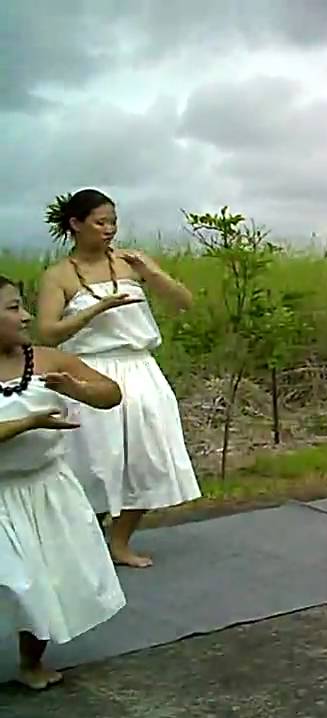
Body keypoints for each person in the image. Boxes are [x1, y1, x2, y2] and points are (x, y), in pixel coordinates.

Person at [36, 189, 200, 568]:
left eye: (113, 221)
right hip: (87, 371)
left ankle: (120, 541)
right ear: (76, 225)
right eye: (100, 222)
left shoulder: (129, 263)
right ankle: (84, 542)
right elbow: (47, 332)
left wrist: (152, 273)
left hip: (139, 370)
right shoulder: (58, 275)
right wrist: (98, 308)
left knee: (146, 457)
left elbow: (183, 303)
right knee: (89, 461)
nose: (109, 229)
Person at [0, 275, 126, 690]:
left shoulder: (49, 360)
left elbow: (110, 393)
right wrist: (28, 422)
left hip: (47, 490)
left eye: (22, 305)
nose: (26, 316)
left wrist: (80, 389)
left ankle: (31, 663)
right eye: (13, 308)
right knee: (14, 581)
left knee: (44, 579)